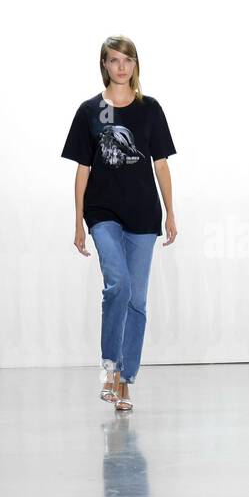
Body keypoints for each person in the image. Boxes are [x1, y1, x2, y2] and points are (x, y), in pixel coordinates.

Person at [61, 35, 177, 413]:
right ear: (105, 65)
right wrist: (78, 221)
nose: (121, 66)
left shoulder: (150, 109)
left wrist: (171, 211)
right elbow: (83, 169)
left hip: (144, 213)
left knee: (138, 300)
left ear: (135, 64)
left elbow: (160, 163)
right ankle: (110, 365)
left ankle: (126, 378)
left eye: (127, 59)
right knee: (118, 284)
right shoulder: (89, 111)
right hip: (102, 212)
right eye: (114, 60)